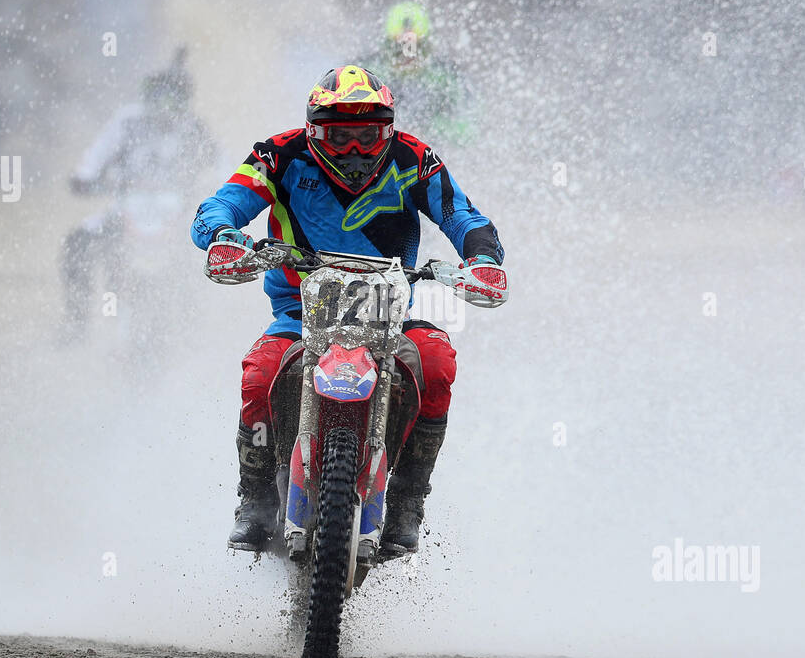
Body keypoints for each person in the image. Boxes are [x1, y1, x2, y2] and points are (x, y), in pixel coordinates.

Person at [191, 64, 504, 555]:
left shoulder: (415, 159)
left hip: (390, 315)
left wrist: (482, 259)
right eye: (341, 137)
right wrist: (225, 236)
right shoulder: (276, 155)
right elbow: (222, 203)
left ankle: (407, 500)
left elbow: (462, 215)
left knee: (438, 364)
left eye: (367, 135)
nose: (356, 149)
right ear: (315, 131)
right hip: (300, 312)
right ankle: (253, 499)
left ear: (389, 130)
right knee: (258, 376)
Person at [58, 47, 218, 344]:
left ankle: (193, 327)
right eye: (159, 99)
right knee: (77, 243)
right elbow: (94, 159)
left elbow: (223, 170)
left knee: (206, 252)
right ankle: (77, 324)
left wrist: (217, 195)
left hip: (177, 215)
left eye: (174, 100)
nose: (166, 109)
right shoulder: (126, 122)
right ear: (147, 97)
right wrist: (84, 178)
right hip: (124, 211)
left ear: (185, 101)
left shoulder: (196, 129)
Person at [358, 1, 474, 145]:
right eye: (399, 48)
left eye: (415, 47)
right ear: (387, 46)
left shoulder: (446, 78)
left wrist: (431, 130)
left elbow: (470, 125)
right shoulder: (367, 76)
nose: (408, 55)